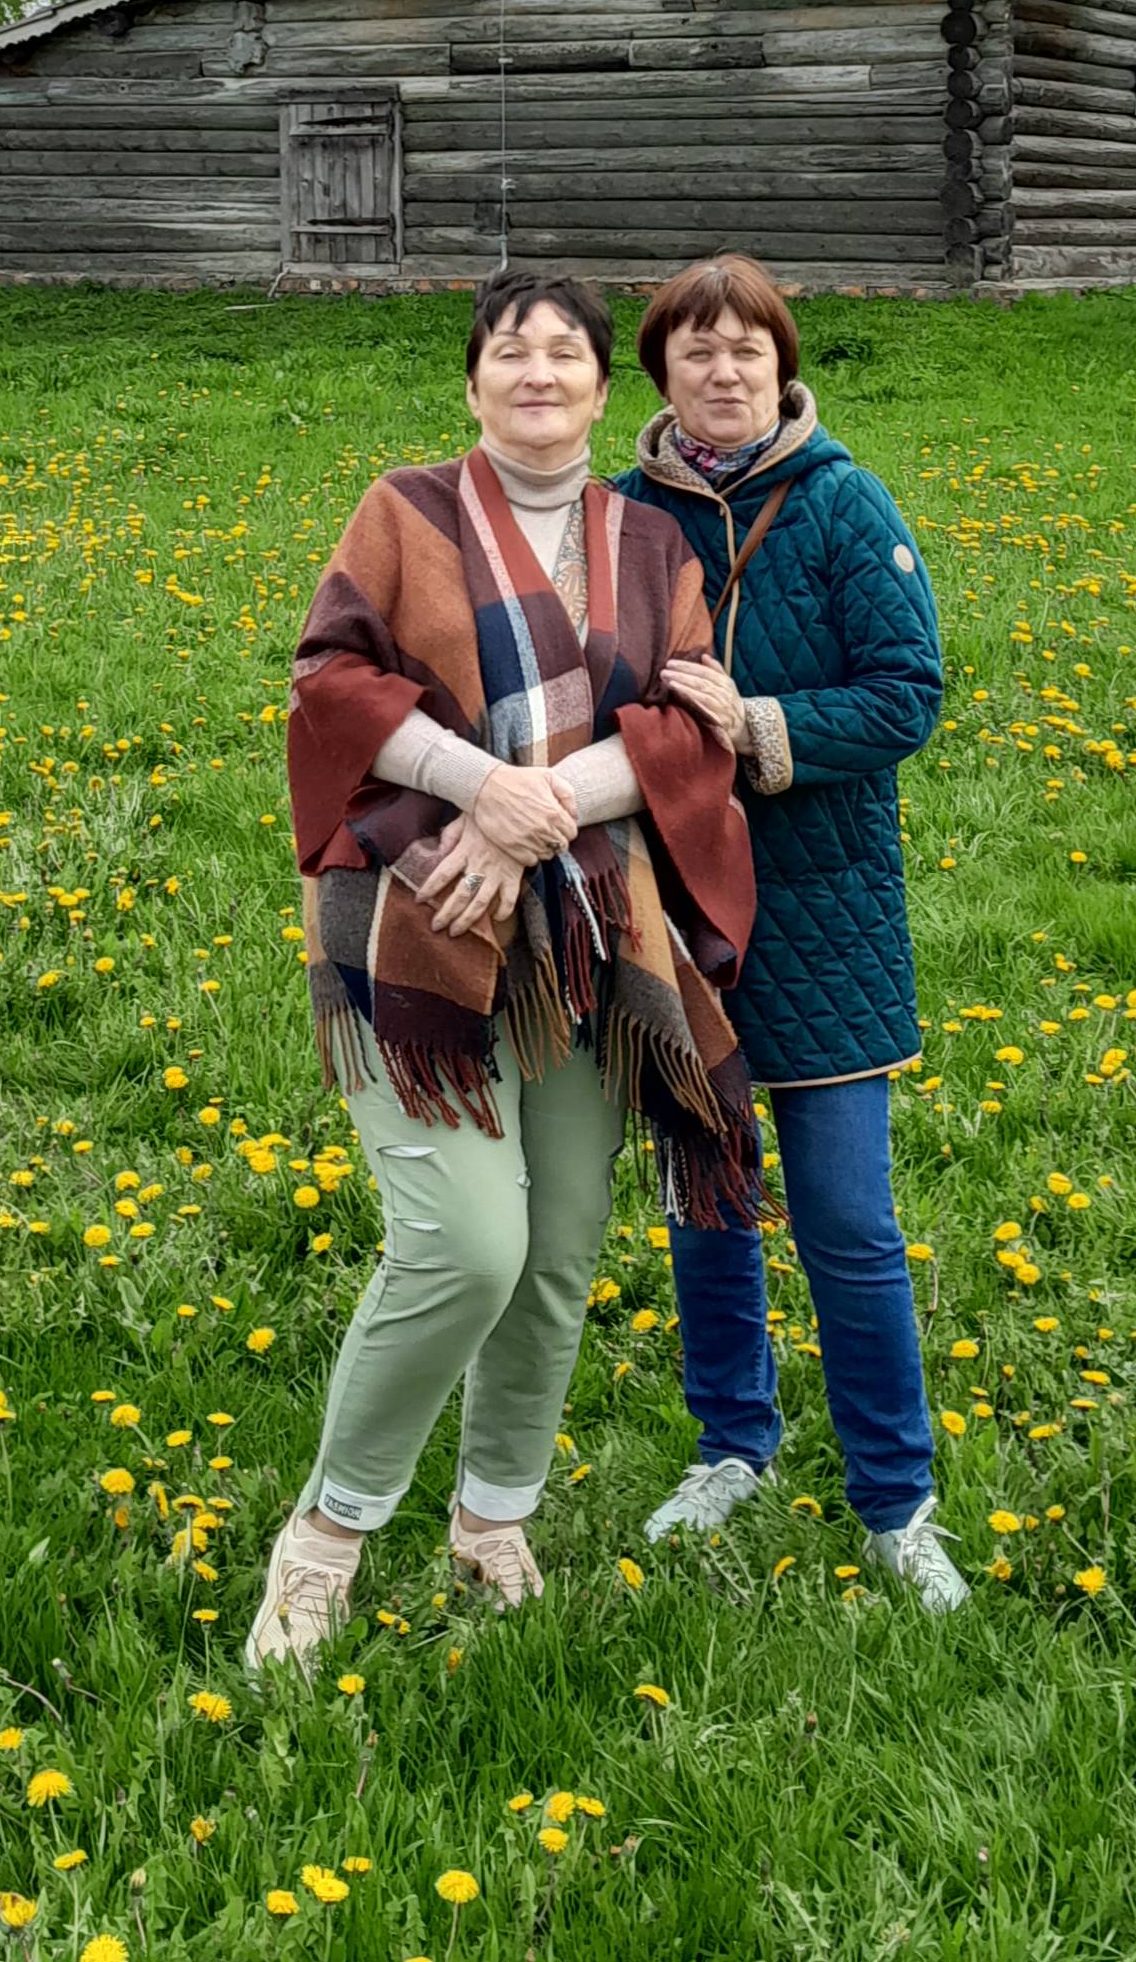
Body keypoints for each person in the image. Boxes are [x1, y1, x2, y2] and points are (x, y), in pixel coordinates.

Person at [248, 266, 758, 1674]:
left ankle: (490, 1522)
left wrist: (542, 813)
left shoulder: (650, 544)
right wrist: (479, 790)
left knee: (554, 1259)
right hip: (415, 918)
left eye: (565, 356)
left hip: (585, 931)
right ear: (471, 383)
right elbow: (330, 685)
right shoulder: (402, 512)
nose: (537, 374)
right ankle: (327, 1539)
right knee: (464, 1246)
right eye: (508, 353)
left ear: (604, 390)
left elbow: (682, 724)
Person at [614, 252, 968, 1616]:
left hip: (820, 911)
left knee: (840, 1218)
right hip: (671, 919)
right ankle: (730, 1448)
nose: (721, 370)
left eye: (744, 350)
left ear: (779, 365)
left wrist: (754, 730)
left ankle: (893, 1503)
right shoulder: (620, 519)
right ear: (660, 376)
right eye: (694, 351)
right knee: (704, 1203)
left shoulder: (841, 508)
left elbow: (904, 695)